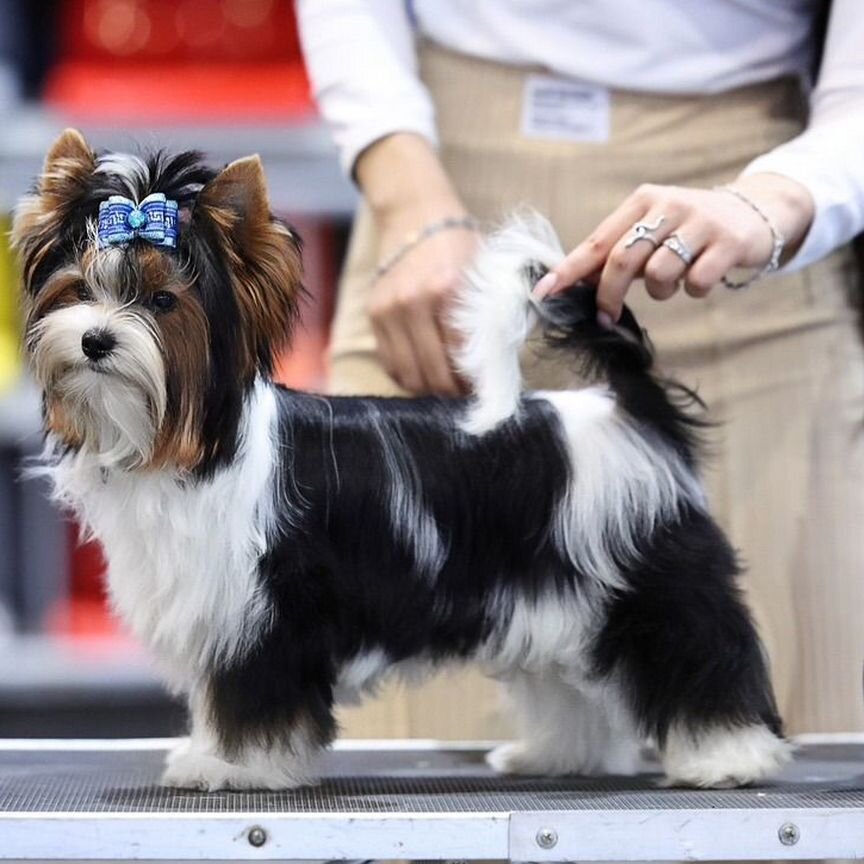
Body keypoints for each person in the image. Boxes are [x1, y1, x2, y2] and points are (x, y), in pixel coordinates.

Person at [296, 0, 864, 741]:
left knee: (774, 779)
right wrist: (409, 200)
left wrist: (780, 201)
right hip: (435, 227)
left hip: (743, 221)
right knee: (415, 820)